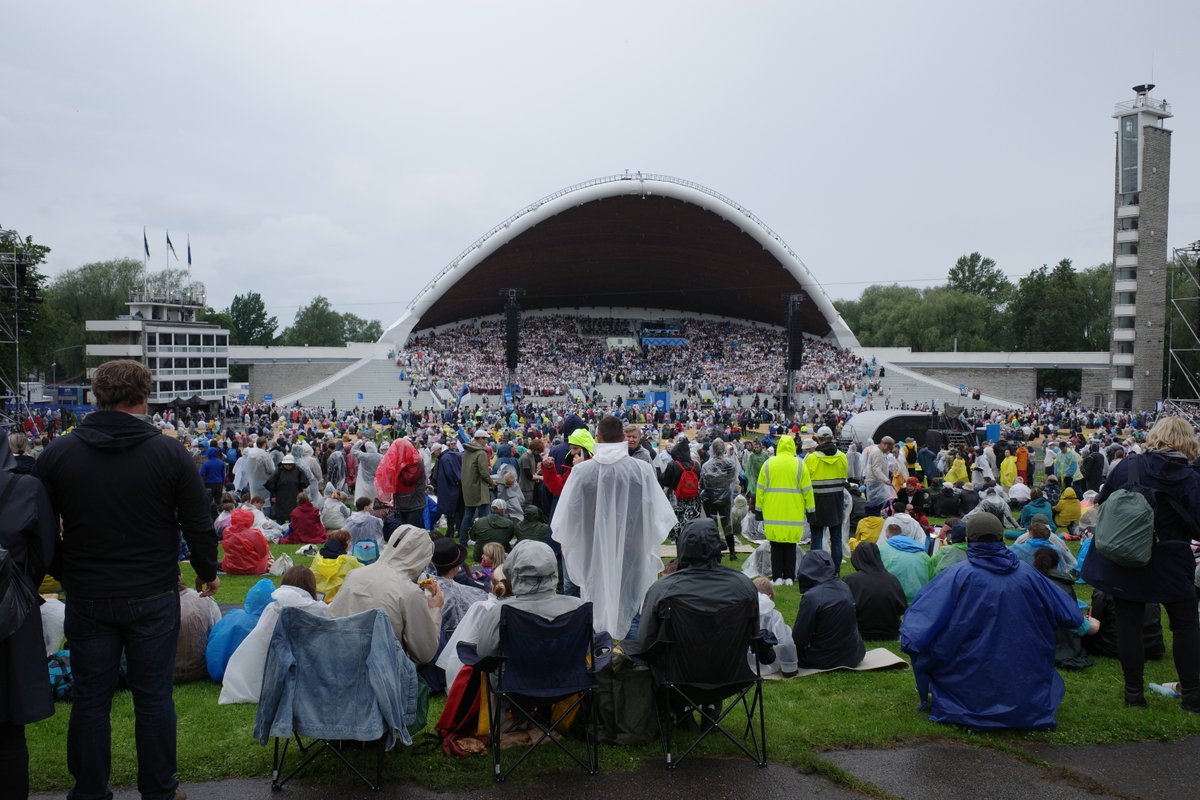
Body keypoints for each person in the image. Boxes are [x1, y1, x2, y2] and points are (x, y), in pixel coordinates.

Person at [34, 359, 220, 800]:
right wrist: (207, 571)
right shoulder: (169, 453)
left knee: (91, 699)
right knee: (152, 699)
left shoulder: (60, 454)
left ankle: (91, 790)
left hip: (95, 592)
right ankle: (158, 789)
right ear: (144, 397)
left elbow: (40, 530)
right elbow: (198, 522)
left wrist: (65, 571)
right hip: (148, 592)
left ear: (98, 396)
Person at [900, 514, 1097, 731]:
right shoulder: (1029, 574)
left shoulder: (957, 575)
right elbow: (1069, 614)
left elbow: (917, 628)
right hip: (1024, 687)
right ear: (1002, 537)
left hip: (969, 686)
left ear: (968, 538)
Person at [1081, 416, 1200, 712]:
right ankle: (1193, 697)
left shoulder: (1129, 466)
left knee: (1129, 626)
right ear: (1188, 441)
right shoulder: (1191, 478)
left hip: (1127, 555)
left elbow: (1103, 501)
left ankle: (1133, 694)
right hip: (1171, 558)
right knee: (1185, 625)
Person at [553, 415, 677, 638]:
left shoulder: (582, 472)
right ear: (622, 437)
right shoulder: (641, 470)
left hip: (595, 548)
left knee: (595, 600)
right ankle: (633, 662)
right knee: (631, 601)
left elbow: (566, 519)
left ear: (597, 437)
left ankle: (597, 658)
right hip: (632, 546)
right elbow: (659, 515)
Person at [628, 518, 775, 669]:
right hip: (730, 676)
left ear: (683, 547)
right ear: (717, 546)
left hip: (676, 678)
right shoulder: (744, 586)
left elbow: (645, 641)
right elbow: (754, 635)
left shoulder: (661, 589)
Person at [0, 431, 58, 798]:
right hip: (10, 614)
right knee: (8, 727)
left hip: (11, 605)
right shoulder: (26, 489)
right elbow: (46, 554)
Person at [328, 524, 445, 664]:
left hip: (336, 658)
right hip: (377, 672)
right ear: (422, 558)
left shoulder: (355, 574)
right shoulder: (409, 592)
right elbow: (425, 653)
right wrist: (435, 609)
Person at [219, 566, 330, 704]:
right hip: (312, 673)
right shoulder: (320, 609)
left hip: (277, 671)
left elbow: (260, 641)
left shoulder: (273, 609)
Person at [475, 539, 585, 659]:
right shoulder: (578, 607)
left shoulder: (500, 611)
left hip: (516, 676)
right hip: (568, 676)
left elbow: (484, 653)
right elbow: (589, 647)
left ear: (512, 571)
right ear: (554, 569)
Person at [792, 550, 866, 669]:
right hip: (854, 654)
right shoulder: (843, 586)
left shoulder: (812, 597)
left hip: (823, 659)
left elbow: (799, 637)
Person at [756, 434, 814, 586]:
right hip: (793, 513)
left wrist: (758, 510)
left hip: (773, 512)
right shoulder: (800, 464)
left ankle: (777, 577)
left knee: (775, 546)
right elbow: (808, 490)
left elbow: (760, 489)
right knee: (790, 546)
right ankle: (789, 576)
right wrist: (811, 510)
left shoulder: (768, 464)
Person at [805, 426, 850, 569]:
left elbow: (805, 482)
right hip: (836, 502)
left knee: (817, 538)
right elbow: (844, 478)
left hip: (817, 503)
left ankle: (817, 570)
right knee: (836, 538)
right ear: (831, 438)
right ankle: (835, 570)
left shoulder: (811, 458)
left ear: (818, 439)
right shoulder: (842, 456)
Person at [843, 541, 908, 640]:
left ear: (857, 558)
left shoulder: (850, 580)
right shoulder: (892, 579)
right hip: (890, 632)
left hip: (860, 631)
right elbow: (902, 608)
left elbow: (842, 609)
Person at [750, 577, 799, 677]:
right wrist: (790, 668)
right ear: (769, 596)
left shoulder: (741, 611)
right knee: (786, 630)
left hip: (744, 666)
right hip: (768, 664)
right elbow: (785, 643)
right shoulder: (774, 615)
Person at [700, 438, 739, 560]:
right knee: (727, 524)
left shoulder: (706, 465)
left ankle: (716, 553)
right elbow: (733, 479)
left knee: (713, 525)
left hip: (710, 498)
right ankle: (732, 553)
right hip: (725, 497)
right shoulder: (730, 464)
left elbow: (702, 483)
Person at [879, 516, 931, 603]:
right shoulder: (924, 554)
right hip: (919, 597)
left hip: (892, 596)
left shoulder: (883, 549)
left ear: (887, 534)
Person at [460, 430, 494, 546]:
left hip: (468, 487)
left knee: (468, 515)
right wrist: (492, 482)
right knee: (485, 517)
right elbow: (483, 473)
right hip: (479, 488)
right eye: (485, 438)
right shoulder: (481, 453)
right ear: (479, 438)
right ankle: (485, 541)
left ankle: (463, 540)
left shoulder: (466, 452)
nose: (486, 441)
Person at [220, 507, 272, 575]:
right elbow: (263, 552)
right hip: (253, 569)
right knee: (267, 553)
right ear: (250, 520)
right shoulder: (255, 534)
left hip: (230, 568)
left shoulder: (226, 531)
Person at [265, 453, 309, 523]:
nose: (288, 466)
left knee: (294, 516)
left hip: (294, 496)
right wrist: (273, 495)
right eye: (286, 464)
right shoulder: (278, 471)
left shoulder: (298, 470)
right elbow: (271, 484)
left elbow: (304, 483)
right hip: (280, 497)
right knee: (280, 516)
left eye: (290, 464)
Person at [470, 498, 517, 562]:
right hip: (500, 556)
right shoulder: (509, 523)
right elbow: (510, 537)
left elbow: (472, 537)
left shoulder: (479, 521)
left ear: (491, 509)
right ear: (503, 510)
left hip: (480, 556)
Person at [862, 437, 896, 506]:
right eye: (889, 448)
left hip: (878, 483)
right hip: (875, 484)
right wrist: (886, 480)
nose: (889, 450)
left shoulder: (879, 451)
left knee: (879, 504)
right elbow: (876, 469)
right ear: (885, 445)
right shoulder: (877, 452)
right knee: (875, 505)